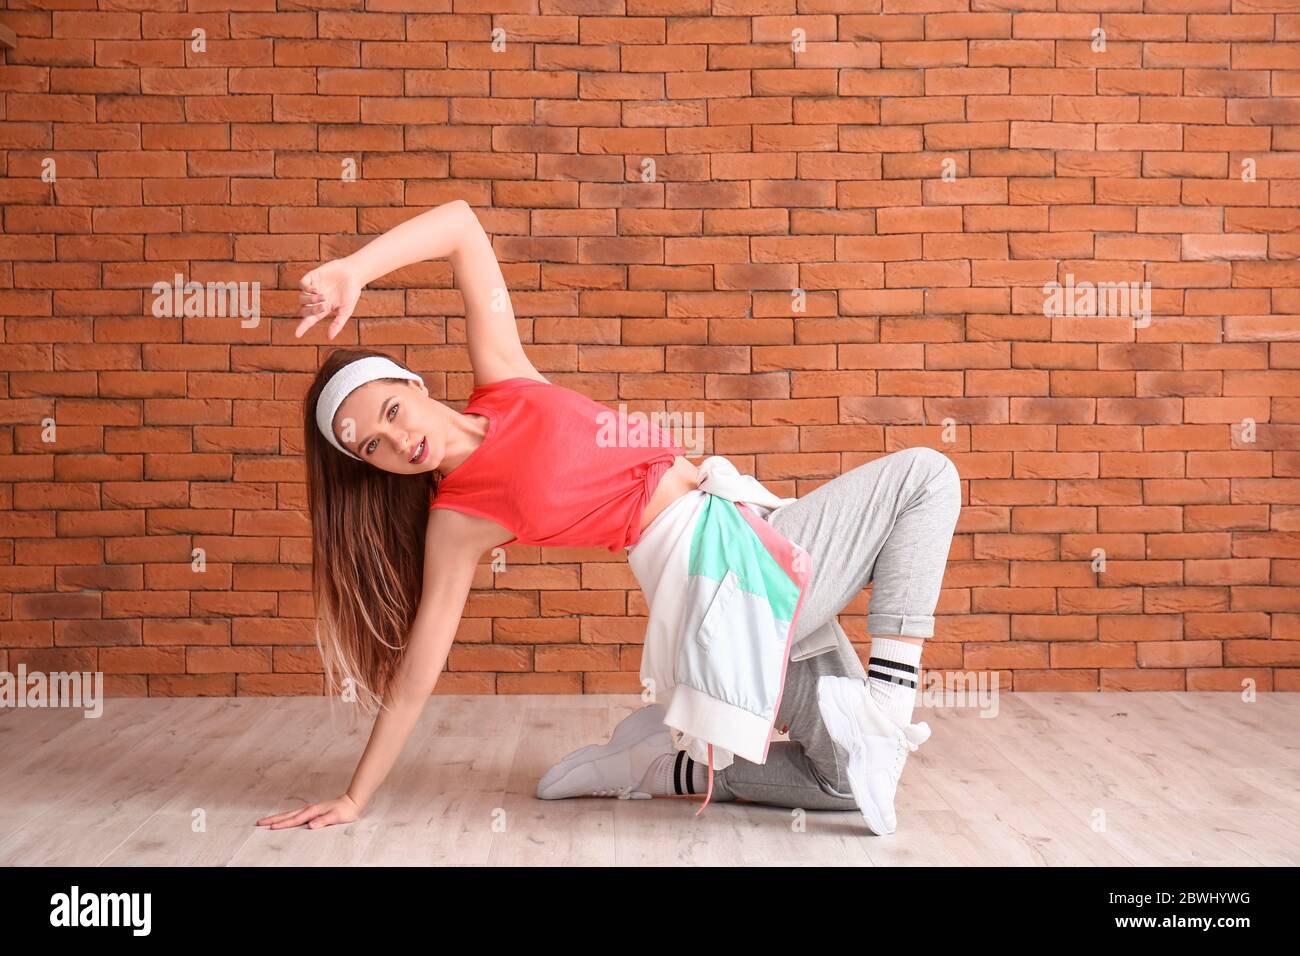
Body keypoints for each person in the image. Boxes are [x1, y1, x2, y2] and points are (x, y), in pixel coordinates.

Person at [255, 200, 961, 835]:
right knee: (928, 475)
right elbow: (415, 676)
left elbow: (463, 227)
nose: (395, 441)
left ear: (412, 383)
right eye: (371, 447)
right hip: (715, 575)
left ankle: (663, 767)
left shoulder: (507, 379)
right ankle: (889, 711)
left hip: (748, 542)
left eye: (389, 410)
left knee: (848, 784)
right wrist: (354, 799)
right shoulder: (459, 520)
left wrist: (355, 268)